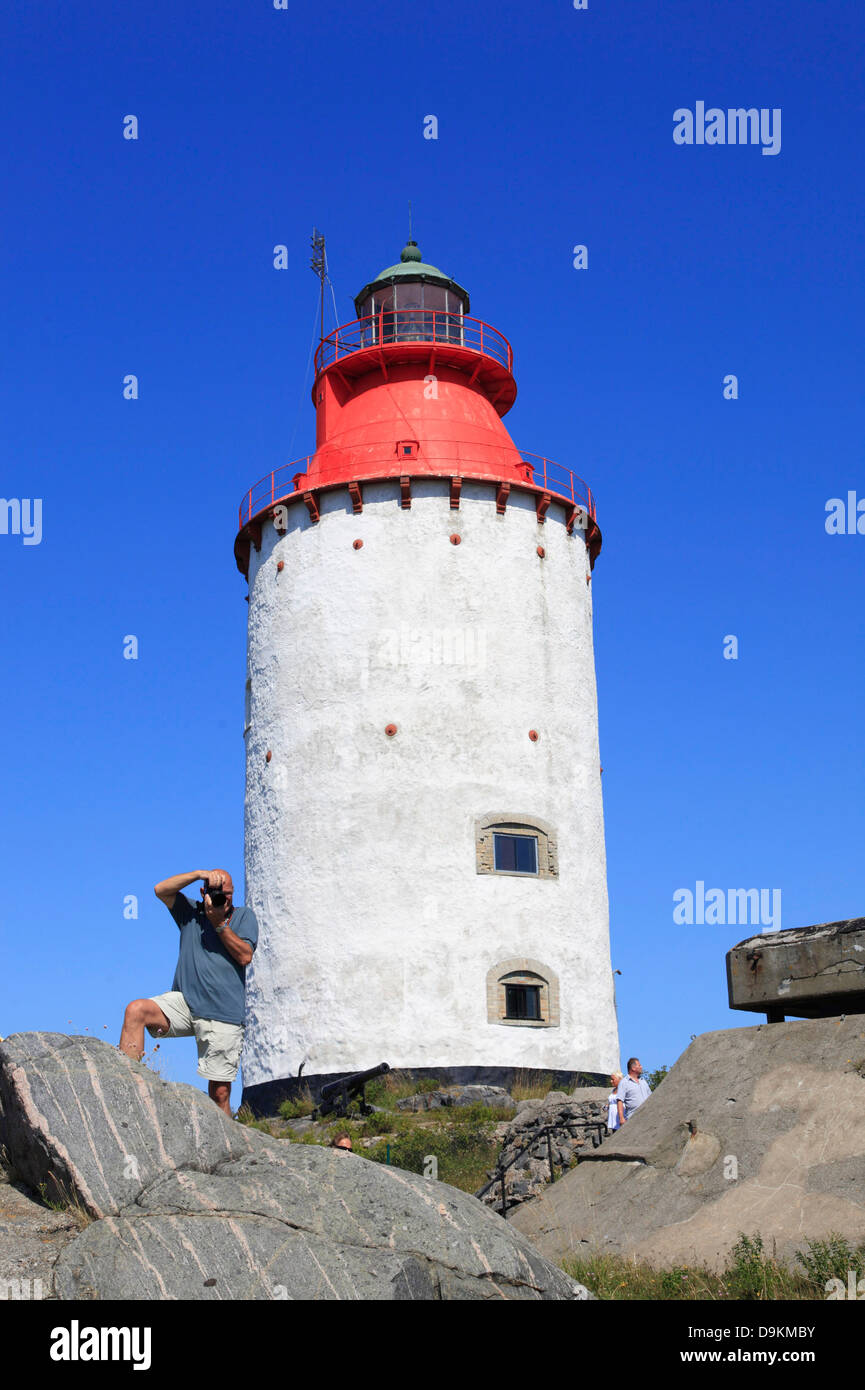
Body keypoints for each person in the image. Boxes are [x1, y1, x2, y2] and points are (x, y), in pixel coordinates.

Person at [119, 869, 258, 1116]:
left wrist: (219, 925)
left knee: (219, 1094)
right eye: (217, 893)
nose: (224, 899)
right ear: (203, 893)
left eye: (228, 893)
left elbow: (245, 956)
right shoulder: (191, 912)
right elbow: (160, 890)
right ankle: (126, 1096)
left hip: (223, 1011)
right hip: (185, 1002)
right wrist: (198, 874)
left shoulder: (244, 916)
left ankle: (228, 1140)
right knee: (136, 1010)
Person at [615, 1057, 651, 1127]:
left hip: (648, 1117)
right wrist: (621, 1118)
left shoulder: (643, 1081)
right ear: (633, 1068)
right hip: (633, 1119)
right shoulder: (624, 1082)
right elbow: (619, 1101)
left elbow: (651, 1097)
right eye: (639, 1065)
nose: (641, 1067)